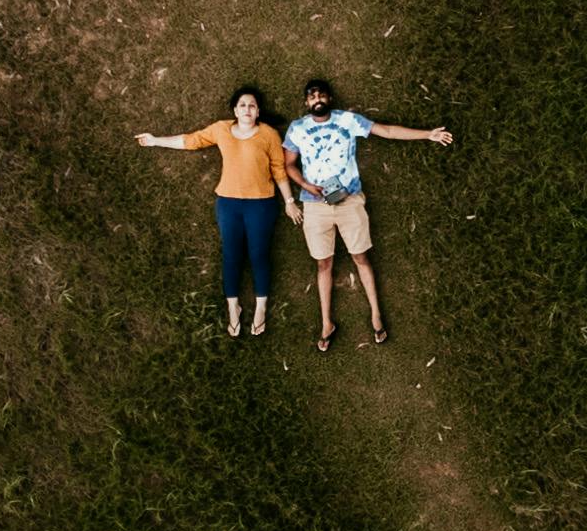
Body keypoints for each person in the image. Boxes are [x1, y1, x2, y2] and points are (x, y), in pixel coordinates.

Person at [282, 77, 454, 351]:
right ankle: (327, 322)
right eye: (312, 96)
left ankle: (375, 313)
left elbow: (386, 131)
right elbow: (288, 163)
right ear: (306, 102)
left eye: (321, 95)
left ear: (330, 100)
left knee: (360, 256)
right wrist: (304, 185)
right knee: (322, 264)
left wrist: (427, 134)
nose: (317, 100)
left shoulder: (348, 120)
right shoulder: (297, 128)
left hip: (349, 200)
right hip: (314, 205)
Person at [137, 87, 297, 338]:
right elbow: (191, 140)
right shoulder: (221, 129)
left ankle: (261, 307)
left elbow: (279, 170)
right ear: (235, 110)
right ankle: (233, 307)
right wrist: (156, 139)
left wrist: (289, 201)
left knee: (258, 255)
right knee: (231, 255)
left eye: (252, 105)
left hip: (261, 205)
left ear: (258, 112)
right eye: (242, 105)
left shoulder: (269, 135)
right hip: (229, 204)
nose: (247, 109)